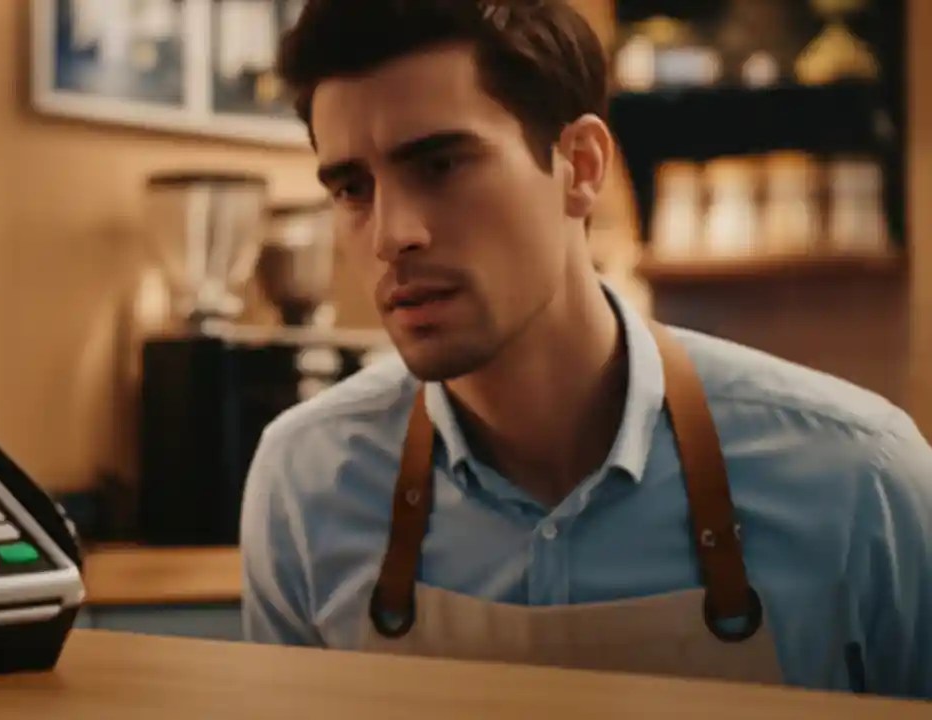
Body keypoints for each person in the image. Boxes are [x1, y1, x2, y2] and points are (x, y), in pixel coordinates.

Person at [238, 0, 932, 700]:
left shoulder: (859, 483)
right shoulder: (309, 484)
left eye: (441, 165)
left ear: (580, 165)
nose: (394, 235)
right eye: (353, 188)